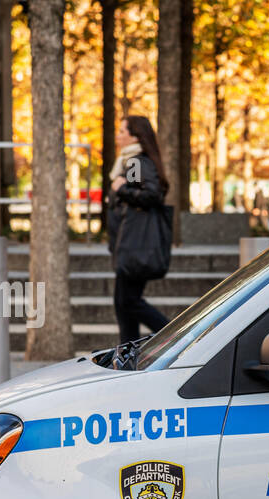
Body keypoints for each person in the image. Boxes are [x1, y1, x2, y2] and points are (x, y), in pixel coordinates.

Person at [106, 115, 170, 343]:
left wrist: (121, 188)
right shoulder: (129, 161)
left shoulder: (134, 162)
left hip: (135, 243)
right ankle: (127, 353)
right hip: (128, 242)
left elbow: (151, 194)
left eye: (123, 131)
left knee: (128, 302)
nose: (118, 135)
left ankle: (172, 335)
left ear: (135, 135)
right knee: (123, 304)